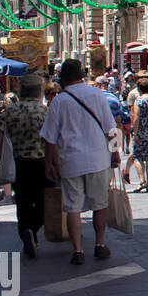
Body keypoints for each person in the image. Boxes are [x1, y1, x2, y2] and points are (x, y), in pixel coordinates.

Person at [41, 59, 120, 265]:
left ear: (63, 79)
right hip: (98, 159)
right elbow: (111, 127)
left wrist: (48, 163)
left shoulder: (59, 101)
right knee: (100, 203)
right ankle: (100, 244)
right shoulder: (97, 94)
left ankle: (77, 249)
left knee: (73, 207)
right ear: (82, 75)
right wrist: (116, 152)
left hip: (71, 161)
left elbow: (49, 138)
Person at [0, 74, 49, 258]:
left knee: (23, 201)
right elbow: (51, 139)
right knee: (43, 201)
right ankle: (34, 227)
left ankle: (26, 230)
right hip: (41, 162)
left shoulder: (10, 111)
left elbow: (0, 138)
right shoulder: (44, 111)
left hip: (18, 162)